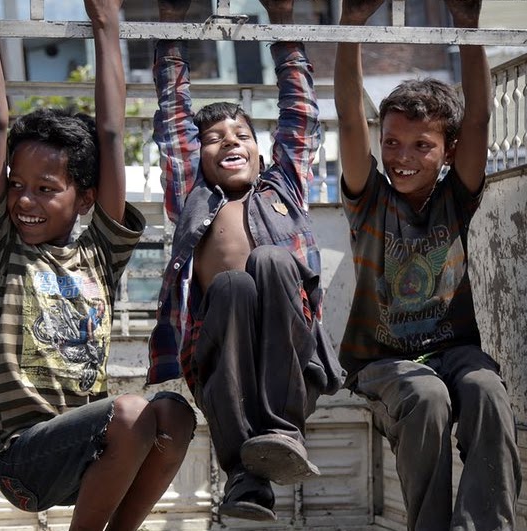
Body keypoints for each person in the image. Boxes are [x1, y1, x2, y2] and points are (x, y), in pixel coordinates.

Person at [0, 0, 195, 528]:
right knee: (132, 410)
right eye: (18, 187)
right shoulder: (3, 250)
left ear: (84, 199)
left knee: (174, 415)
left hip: (89, 454)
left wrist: (107, 25)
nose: (24, 201)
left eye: (46, 190)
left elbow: (111, 136)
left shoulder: (99, 256)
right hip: (22, 459)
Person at [145, 0, 343, 522]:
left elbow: (300, 111)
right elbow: (172, 114)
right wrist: (170, 30)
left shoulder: (284, 188)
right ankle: (245, 477)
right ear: (198, 155)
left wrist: (281, 25)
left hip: (293, 353)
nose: (229, 141)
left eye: (240, 135)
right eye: (213, 138)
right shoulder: (191, 193)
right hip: (221, 345)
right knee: (232, 285)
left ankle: (282, 430)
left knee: (275, 260)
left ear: (260, 151)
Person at [334, 0, 521, 529]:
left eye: (422, 145)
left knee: (485, 389)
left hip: (453, 351)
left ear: (449, 150)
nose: (402, 156)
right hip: (381, 362)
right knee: (428, 394)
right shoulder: (368, 198)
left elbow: (479, 115)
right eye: (392, 142)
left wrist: (467, 25)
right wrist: (350, 26)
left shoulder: (455, 198)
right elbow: (351, 116)